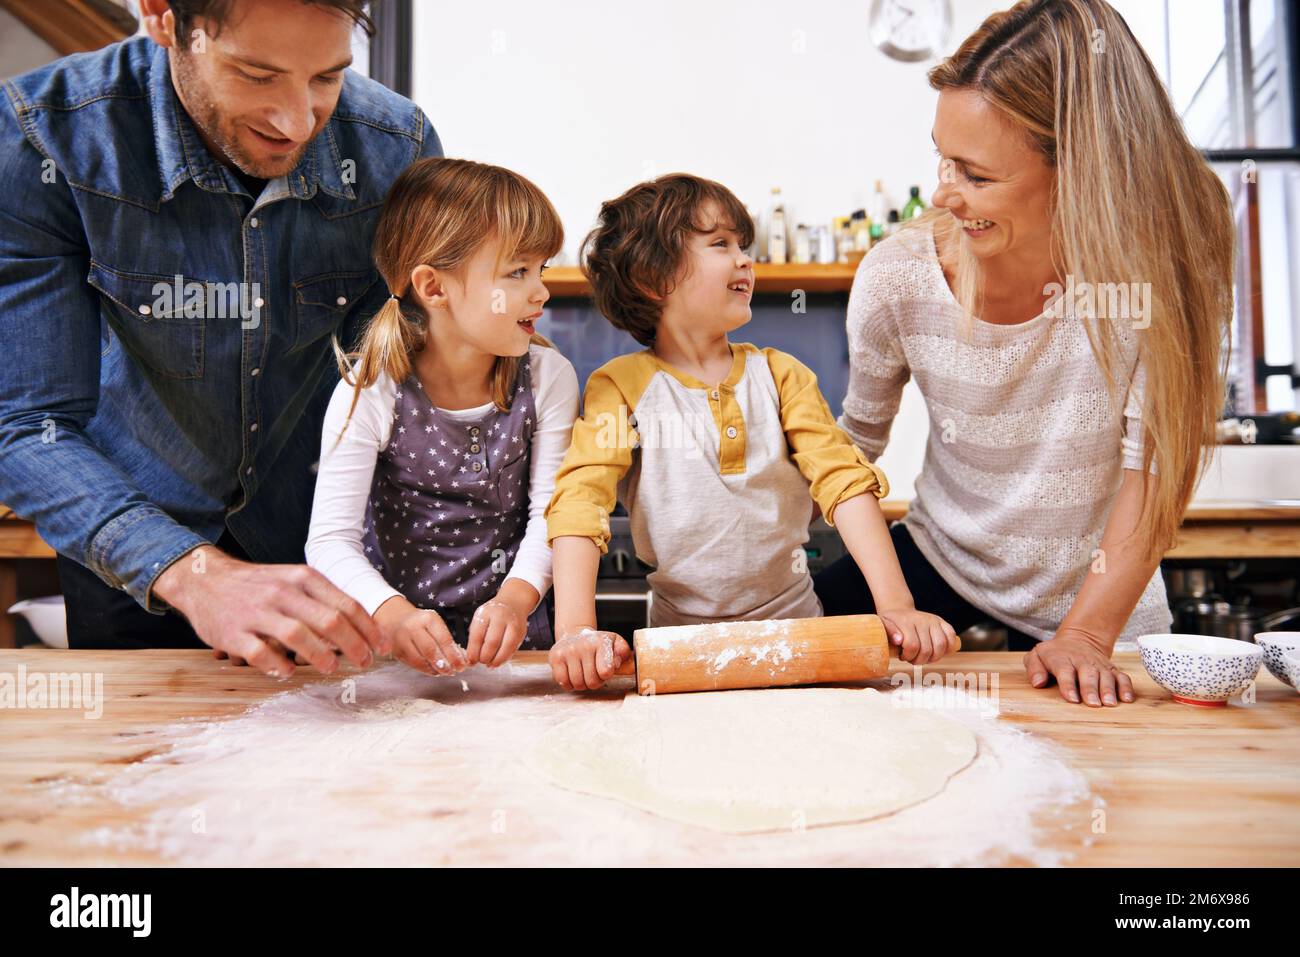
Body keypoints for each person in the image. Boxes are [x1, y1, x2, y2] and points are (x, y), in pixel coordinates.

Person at [0, 0, 443, 676]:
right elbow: (27, 421)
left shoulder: (395, 147)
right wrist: (190, 571)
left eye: (326, 78)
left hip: (331, 560)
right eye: (257, 74)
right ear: (162, 17)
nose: (297, 122)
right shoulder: (45, 138)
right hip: (134, 559)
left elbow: (406, 385)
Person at [816, 0, 1233, 707]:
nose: (945, 195)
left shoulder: (1161, 273)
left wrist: (1089, 639)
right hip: (940, 558)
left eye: (975, 176)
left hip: (1099, 590)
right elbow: (849, 450)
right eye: (942, 160)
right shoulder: (899, 276)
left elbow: (1153, 473)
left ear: (1081, 170)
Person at [544, 174, 958, 692]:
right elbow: (579, 504)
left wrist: (896, 607)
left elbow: (844, 482)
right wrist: (576, 631)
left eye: (745, 245)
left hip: (802, 639)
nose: (745, 259)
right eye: (720, 244)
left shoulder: (782, 375)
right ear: (653, 277)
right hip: (682, 654)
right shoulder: (620, 387)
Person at [306, 158, 579, 677]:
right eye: (517, 272)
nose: (541, 291)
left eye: (540, 269)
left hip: (517, 653)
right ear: (434, 287)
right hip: (394, 656)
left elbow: (553, 518)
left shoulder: (549, 378)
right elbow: (329, 541)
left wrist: (513, 604)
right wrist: (394, 616)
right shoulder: (372, 387)